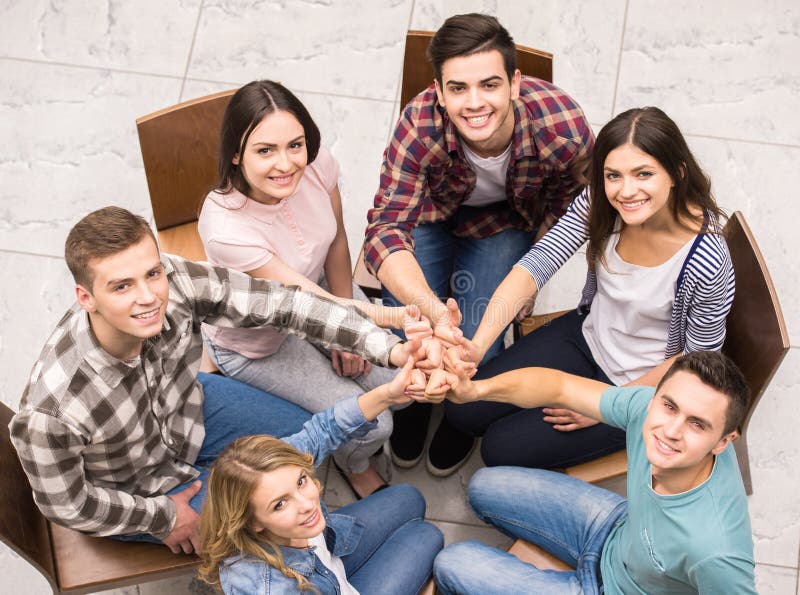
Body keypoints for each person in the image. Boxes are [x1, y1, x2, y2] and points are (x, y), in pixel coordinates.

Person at [9, 206, 419, 555]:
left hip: (190, 412)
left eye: (152, 273)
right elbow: (67, 505)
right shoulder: (52, 411)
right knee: (266, 523)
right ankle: (335, 562)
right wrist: (161, 518)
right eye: (122, 286)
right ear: (86, 298)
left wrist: (388, 349)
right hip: (138, 488)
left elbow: (282, 305)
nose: (149, 296)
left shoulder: (174, 278)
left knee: (299, 441)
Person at [437, 106, 736, 473]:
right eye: (613, 175)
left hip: (641, 382)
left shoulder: (707, 260)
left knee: (499, 450)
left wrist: (609, 406)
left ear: (676, 173)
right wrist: (478, 345)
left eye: (644, 174)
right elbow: (538, 263)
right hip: (587, 334)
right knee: (460, 408)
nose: (626, 191)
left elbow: (696, 359)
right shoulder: (602, 201)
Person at [363, 13, 594, 473]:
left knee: (479, 346)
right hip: (428, 217)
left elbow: (572, 214)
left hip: (507, 222)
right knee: (407, 329)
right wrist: (428, 308)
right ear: (439, 90)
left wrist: (529, 278)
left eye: (489, 85)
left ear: (514, 82)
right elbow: (387, 229)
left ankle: (460, 416)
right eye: (458, 89)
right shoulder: (419, 122)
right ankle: (412, 402)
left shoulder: (564, 128)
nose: (474, 104)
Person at [198, 80, 410, 499]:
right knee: (375, 424)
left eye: (295, 145)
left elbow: (336, 241)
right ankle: (355, 462)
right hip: (261, 343)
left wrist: (347, 329)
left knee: (400, 389)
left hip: (323, 297)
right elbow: (302, 302)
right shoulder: (225, 228)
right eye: (265, 151)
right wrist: (355, 330)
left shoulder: (316, 164)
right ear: (236, 155)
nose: (287, 164)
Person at [426, 351, 756, 594]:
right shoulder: (645, 407)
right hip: (614, 526)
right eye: (669, 406)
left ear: (724, 441)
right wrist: (475, 391)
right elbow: (558, 388)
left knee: (451, 564)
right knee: (483, 485)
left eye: (697, 424)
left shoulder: (716, 550)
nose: (671, 430)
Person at [198, 356, 443, 594]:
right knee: (427, 536)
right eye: (280, 504)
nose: (308, 504)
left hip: (328, 560)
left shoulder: (277, 470)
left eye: (301, 481)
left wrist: (387, 394)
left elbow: (324, 429)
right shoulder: (271, 588)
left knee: (409, 498)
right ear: (252, 522)